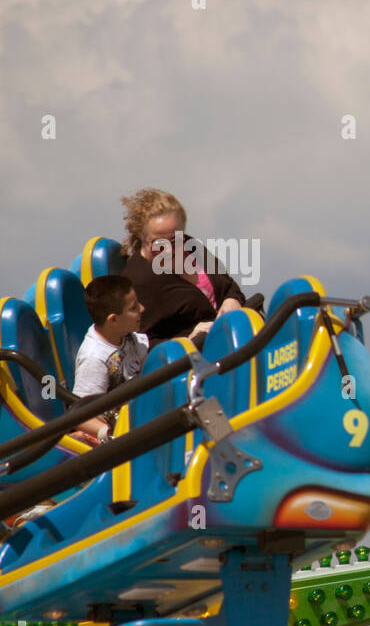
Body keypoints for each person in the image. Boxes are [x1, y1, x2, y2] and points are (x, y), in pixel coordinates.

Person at [119, 188, 245, 347]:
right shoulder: (137, 281)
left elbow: (229, 286)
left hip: (236, 340)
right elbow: (137, 346)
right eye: (158, 243)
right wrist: (187, 341)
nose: (169, 250)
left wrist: (232, 300)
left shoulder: (191, 247)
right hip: (194, 363)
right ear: (143, 238)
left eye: (175, 239)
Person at [72, 275, 148, 444]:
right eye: (134, 307)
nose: (142, 309)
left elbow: (148, 368)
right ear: (113, 319)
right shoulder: (94, 358)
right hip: (125, 432)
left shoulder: (128, 335)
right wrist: (109, 433)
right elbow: (80, 415)